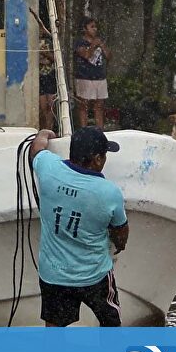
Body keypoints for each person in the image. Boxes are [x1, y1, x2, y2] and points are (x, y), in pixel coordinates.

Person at [28, 127, 129, 327]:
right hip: (94, 276)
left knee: (55, 328)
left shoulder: (48, 169)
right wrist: (119, 245)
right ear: (97, 159)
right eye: (104, 155)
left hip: (54, 275)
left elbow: (35, 151)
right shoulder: (109, 193)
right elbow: (121, 233)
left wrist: (43, 134)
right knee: (111, 324)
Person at [74, 19, 112, 128]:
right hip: (85, 77)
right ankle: (84, 129)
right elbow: (86, 55)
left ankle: (100, 130)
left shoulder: (99, 42)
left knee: (99, 106)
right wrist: (93, 45)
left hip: (100, 77)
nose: (95, 29)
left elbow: (109, 56)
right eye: (92, 27)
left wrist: (102, 46)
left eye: (95, 27)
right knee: (83, 105)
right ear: (85, 29)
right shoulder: (80, 42)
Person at [38, 36, 57, 132]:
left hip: (50, 77)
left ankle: (49, 129)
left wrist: (46, 53)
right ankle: (42, 130)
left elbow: (56, 58)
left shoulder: (51, 41)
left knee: (51, 107)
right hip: (38, 77)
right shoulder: (31, 41)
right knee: (42, 108)